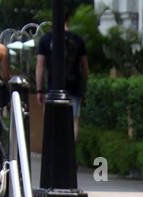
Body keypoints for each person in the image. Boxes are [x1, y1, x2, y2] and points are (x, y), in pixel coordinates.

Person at [35, 7, 89, 137]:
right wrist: (83, 88)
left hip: (52, 86)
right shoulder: (78, 40)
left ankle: (54, 153)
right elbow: (85, 67)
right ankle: (71, 153)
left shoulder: (46, 40)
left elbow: (40, 66)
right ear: (68, 19)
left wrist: (39, 90)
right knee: (74, 121)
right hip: (74, 86)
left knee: (51, 122)